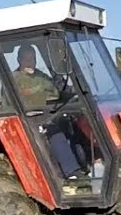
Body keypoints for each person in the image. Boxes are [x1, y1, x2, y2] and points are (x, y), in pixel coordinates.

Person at [12, 44, 85, 179]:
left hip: (48, 114)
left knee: (74, 125)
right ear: (19, 60)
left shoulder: (42, 76)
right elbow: (14, 104)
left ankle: (87, 164)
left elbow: (56, 90)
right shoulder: (14, 79)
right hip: (30, 119)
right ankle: (72, 173)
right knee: (55, 133)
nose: (30, 62)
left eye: (33, 59)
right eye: (26, 59)